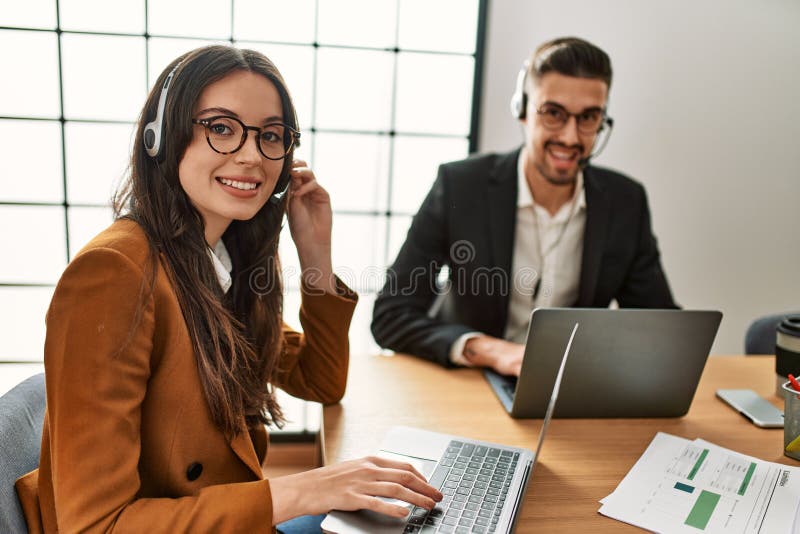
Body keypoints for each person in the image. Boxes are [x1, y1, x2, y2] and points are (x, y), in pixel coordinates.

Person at [15, 45, 441, 533]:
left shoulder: (217, 259)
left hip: (227, 520)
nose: (251, 156)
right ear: (162, 136)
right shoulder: (113, 273)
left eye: (272, 136)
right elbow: (95, 526)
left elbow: (320, 382)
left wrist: (316, 254)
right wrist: (305, 489)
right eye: (221, 128)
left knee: (413, 517)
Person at [371, 37, 677, 377]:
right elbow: (390, 315)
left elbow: (662, 331)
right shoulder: (461, 186)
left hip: (567, 392)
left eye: (589, 117)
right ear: (521, 110)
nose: (571, 138)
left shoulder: (625, 202)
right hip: (470, 382)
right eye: (553, 114)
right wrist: (489, 350)